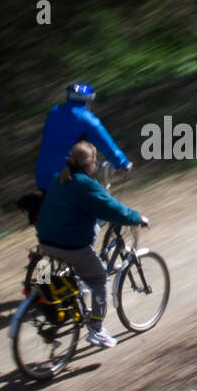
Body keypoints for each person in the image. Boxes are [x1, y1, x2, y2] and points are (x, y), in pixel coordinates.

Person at [36, 141, 148, 348]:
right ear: (91, 164)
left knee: (77, 267)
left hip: (45, 242)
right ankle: (96, 330)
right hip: (70, 246)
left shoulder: (58, 178)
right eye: (94, 161)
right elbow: (111, 208)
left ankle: (76, 292)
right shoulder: (85, 184)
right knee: (98, 278)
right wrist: (136, 218)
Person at [34, 82, 131, 194]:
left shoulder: (54, 112)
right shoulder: (86, 119)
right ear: (87, 101)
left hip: (42, 178)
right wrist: (122, 163)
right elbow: (106, 144)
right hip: (67, 178)